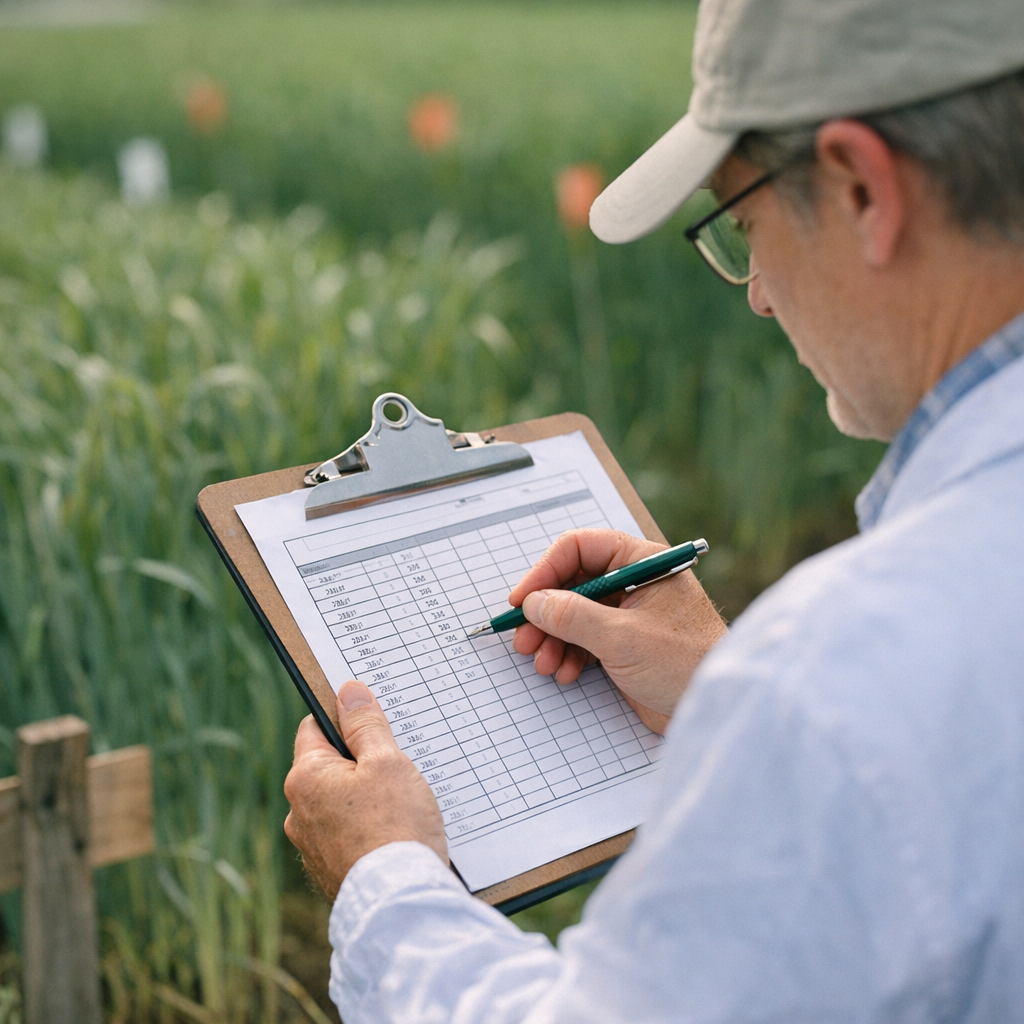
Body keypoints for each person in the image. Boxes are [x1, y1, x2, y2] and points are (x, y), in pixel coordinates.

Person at [283, 0, 1024, 1019]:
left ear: (859, 187)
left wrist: (384, 876)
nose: (756, 291)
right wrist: (728, 698)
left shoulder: (844, 677)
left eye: (745, 220)